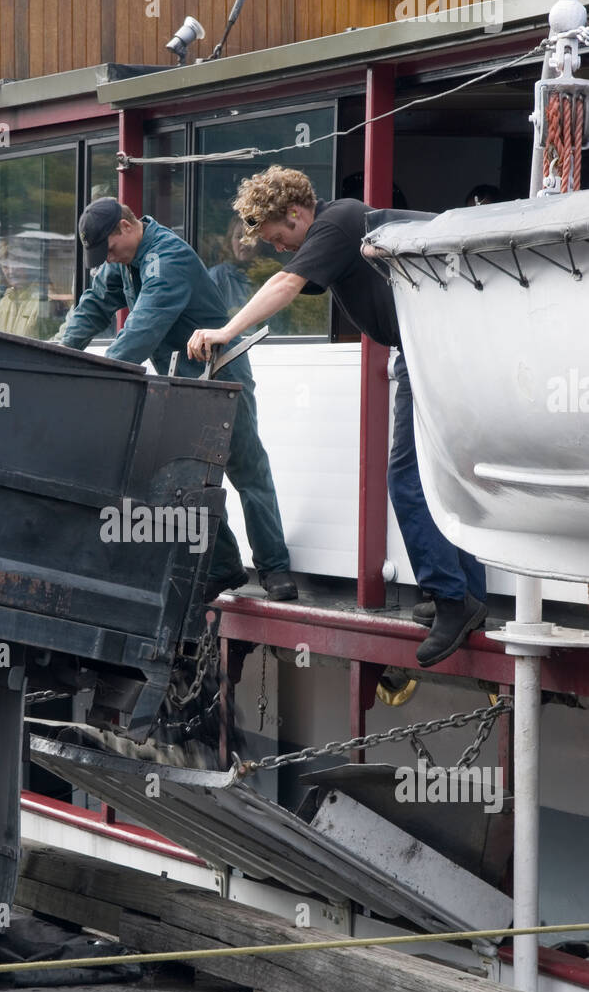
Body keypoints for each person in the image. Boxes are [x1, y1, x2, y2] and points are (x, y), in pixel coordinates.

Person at [186, 166, 487, 667]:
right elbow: (293, 279)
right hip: (433, 346)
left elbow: (285, 284)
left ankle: (453, 599)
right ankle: (463, 594)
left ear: (297, 213)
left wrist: (225, 331)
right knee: (439, 475)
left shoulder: (341, 220)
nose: (278, 247)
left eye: (278, 235)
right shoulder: (341, 228)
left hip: (435, 348)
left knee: (406, 477)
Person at [58, 196, 297, 602]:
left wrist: (98, 377)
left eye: (109, 249)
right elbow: (95, 305)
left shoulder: (167, 260)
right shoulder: (127, 261)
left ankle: (274, 567)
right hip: (181, 383)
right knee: (183, 482)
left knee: (246, 467)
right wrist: (63, 352)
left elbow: (140, 333)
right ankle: (224, 566)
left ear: (125, 227)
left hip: (223, 374)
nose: (109, 259)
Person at [207, 218, 258, 315]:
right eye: (239, 237)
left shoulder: (270, 273)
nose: (244, 241)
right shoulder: (217, 276)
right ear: (230, 241)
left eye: (250, 235)